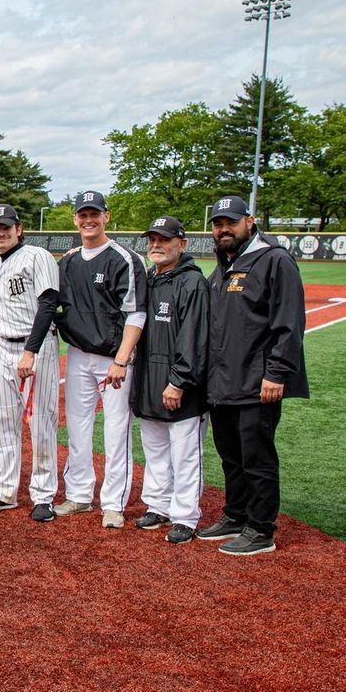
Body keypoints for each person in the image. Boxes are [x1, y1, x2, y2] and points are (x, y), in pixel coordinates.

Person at [198, 195, 308, 556]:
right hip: (223, 381)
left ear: (250, 220)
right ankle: (236, 514)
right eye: (218, 223)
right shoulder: (223, 265)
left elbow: (289, 324)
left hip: (258, 381)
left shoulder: (274, 260)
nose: (223, 229)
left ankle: (261, 528)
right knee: (230, 455)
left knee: (256, 457)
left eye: (230, 222)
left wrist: (276, 373)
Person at [53, 191, 147, 529]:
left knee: (116, 430)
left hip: (114, 358)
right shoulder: (69, 261)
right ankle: (78, 494)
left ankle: (113, 503)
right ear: (75, 219)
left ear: (106, 216)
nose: (88, 220)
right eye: (83, 214)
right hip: (78, 354)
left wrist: (121, 360)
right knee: (77, 426)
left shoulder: (124, 258)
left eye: (95, 214)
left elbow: (136, 314)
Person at [129, 216, 209, 545]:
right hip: (149, 381)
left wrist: (179, 381)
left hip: (180, 386)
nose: (156, 245)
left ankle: (185, 516)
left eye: (164, 240)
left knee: (186, 453)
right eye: (152, 240)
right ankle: (158, 505)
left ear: (182, 244)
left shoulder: (192, 282)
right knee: (156, 450)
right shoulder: (150, 277)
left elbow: (194, 337)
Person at [0, 204, 62, 521]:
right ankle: (4, 491)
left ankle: (43, 496)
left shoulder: (37, 256)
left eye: (6, 227)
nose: (0, 233)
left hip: (36, 346)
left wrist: (30, 350)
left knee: (41, 421)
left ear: (19, 228)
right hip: (3, 346)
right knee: (2, 420)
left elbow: (48, 302)